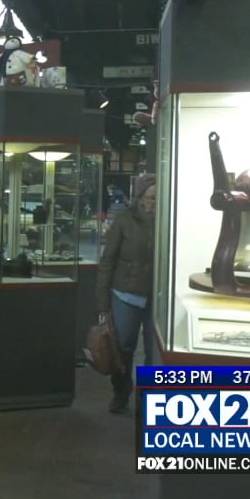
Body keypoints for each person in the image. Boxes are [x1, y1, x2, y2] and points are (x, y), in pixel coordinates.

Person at [96, 173, 157, 415]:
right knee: (123, 347)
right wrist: (102, 302)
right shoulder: (124, 221)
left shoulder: (168, 220)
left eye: (157, 198)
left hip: (156, 295)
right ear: (140, 198)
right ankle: (120, 393)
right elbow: (108, 261)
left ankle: (151, 398)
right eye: (150, 197)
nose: (154, 203)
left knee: (154, 351)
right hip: (126, 294)